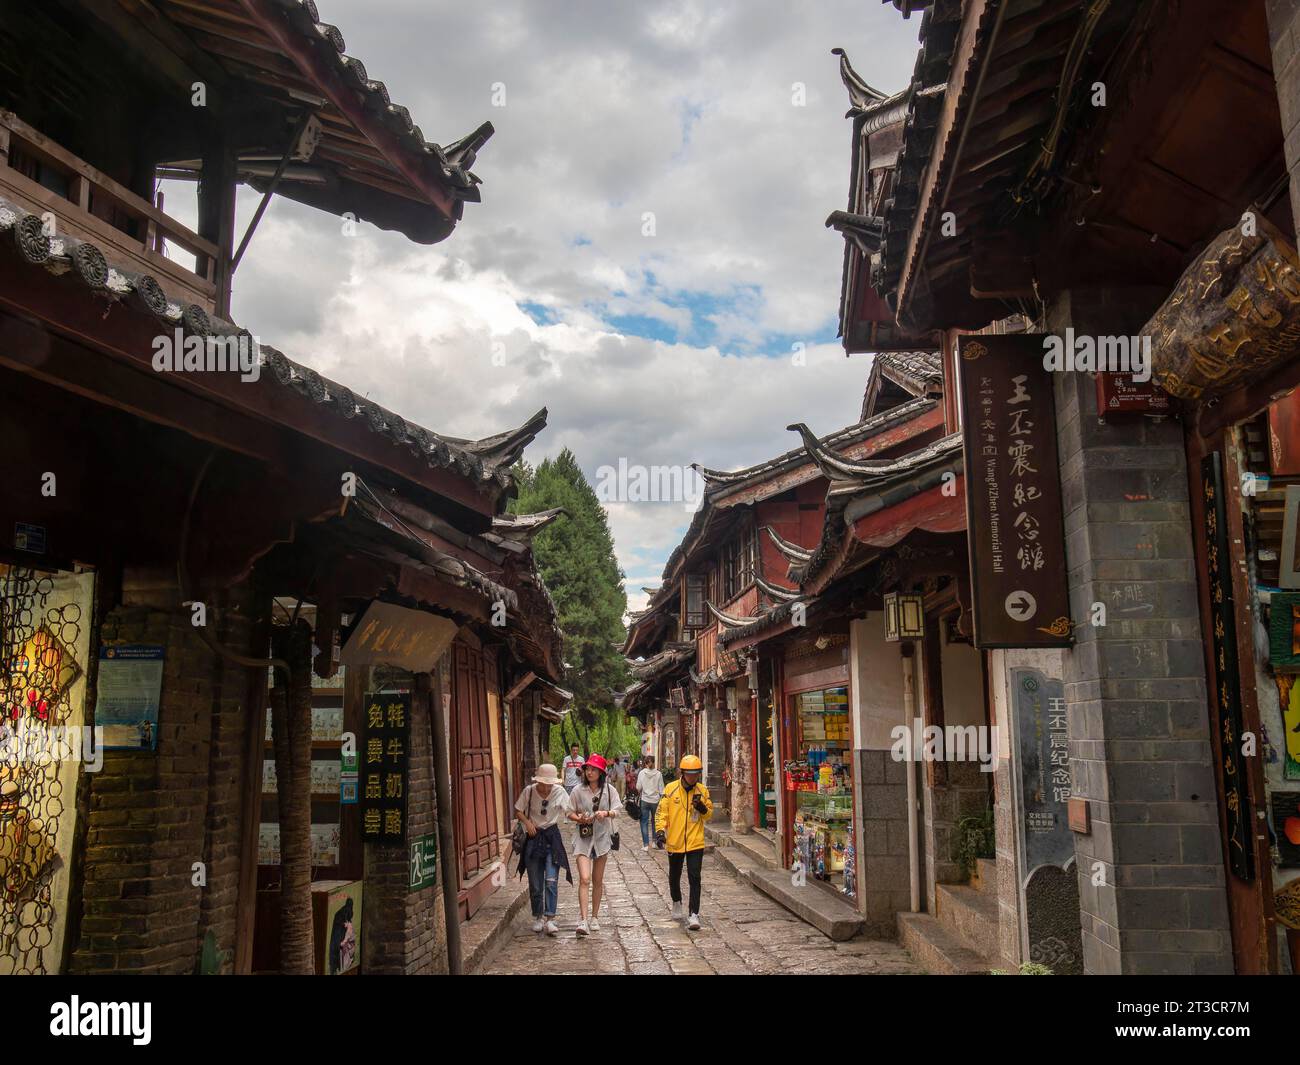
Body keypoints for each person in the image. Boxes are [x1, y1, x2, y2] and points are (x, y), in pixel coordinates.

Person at [567, 753, 623, 936]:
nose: (589, 772)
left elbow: (618, 809)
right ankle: (583, 920)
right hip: (582, 838)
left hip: (601, 838)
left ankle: (595, 917)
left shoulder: (609, 790)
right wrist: (579, 818)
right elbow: (569, 812)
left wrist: (606, 814)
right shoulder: (577, 790)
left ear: (601, 772)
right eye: (587, 769)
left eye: (593, 769)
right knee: (585, 878)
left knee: (598, 880)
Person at [513, 762, 572, 936]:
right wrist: (527, 822)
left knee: (551, 879)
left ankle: (550, 918)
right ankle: (538, 916)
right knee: (536, 882)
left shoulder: (559, 792)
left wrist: (580, 815)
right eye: (543, 782)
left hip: (552, 837)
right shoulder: (529, 791)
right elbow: (518, 810)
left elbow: (569, 810)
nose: (546, 786)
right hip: (533, 837)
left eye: (549, 783)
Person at [654, 753, 711, 931]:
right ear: (683, 773)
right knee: (674, 876)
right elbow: (662, 813)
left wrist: (701, 807)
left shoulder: (702, 791)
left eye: (696, 774)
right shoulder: (670, 789)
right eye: (690, 773)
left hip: (695, 842)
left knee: (695, 876)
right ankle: (676, 900)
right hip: (675, 841)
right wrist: (660, 832)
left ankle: (694, 913)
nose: (693, 777)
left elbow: (709, 814)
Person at [635, 755, 665, 851]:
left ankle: (645, 845)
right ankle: (655, 842)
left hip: (645, 800)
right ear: (654, 762)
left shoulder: (641, 773)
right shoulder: (658, 774)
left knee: (644, 822)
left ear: (645, 763)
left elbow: (638, 787)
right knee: (655, 821)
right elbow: (662, 790)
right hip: (655, 800)